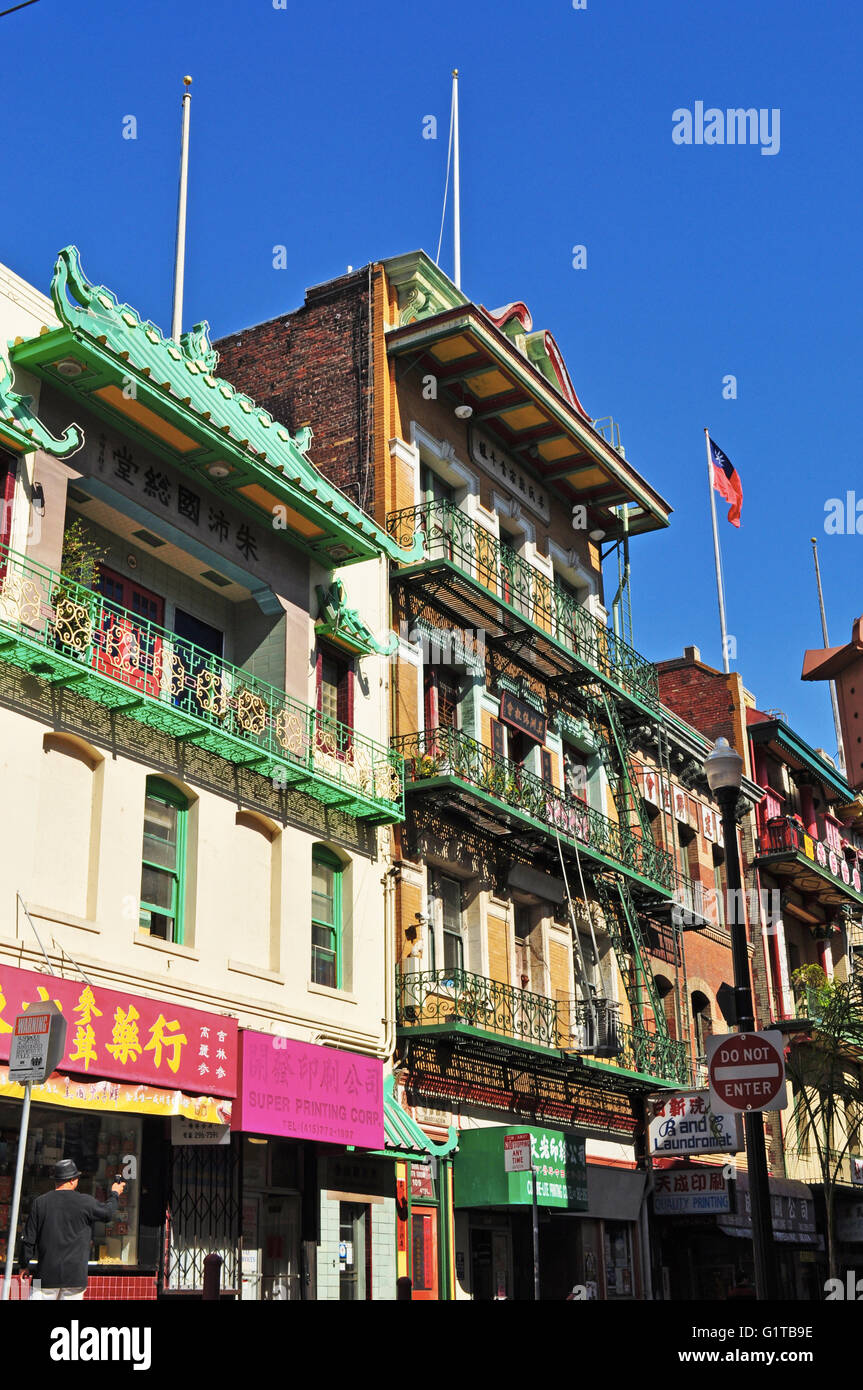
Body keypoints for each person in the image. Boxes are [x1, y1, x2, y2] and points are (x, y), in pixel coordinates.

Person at [19, 1158, 126, 1300]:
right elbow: (107, 1213)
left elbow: (28, 1239)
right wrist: (115, 1193)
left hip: (43, 1275)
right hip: (75, 1278)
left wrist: (23, 1264)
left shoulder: (40, 1203)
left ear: (56, 1180)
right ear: (71, 1181)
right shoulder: (85, 1202)